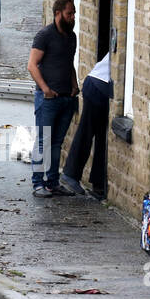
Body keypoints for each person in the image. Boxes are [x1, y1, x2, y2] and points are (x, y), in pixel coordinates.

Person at [27, 0, 79, 196]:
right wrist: (45, 89)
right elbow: (32, 65)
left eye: (74, 13)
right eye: (69, 13)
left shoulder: (71, 37)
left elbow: (69, 63)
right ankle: (38, 183)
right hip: (48, 99)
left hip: (66, 97)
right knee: (43, 141)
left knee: (57, 142)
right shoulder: (44, 36)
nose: (72, 17)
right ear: (58, 13)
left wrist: (74, 85)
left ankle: (53, 183)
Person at [60, 47, 114, 199]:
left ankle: (98, 184)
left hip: (99, 85)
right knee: (87, 131)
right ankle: (70, 174)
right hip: (98, 86)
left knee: (102, 137)